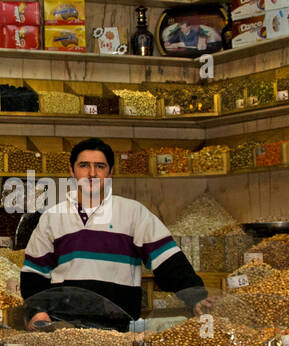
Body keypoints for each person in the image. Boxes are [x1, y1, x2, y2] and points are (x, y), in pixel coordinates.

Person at [22, 138, 215, 331]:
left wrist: (195, 297)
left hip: (118, 328)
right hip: (64, 327)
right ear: (72, 172)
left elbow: (168, 261)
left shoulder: (132, 213)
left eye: (100, 166)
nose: (92, 173)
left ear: (110, 172)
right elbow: (34, 275)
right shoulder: (52, 218)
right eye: (83, 166)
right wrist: (36, 312)